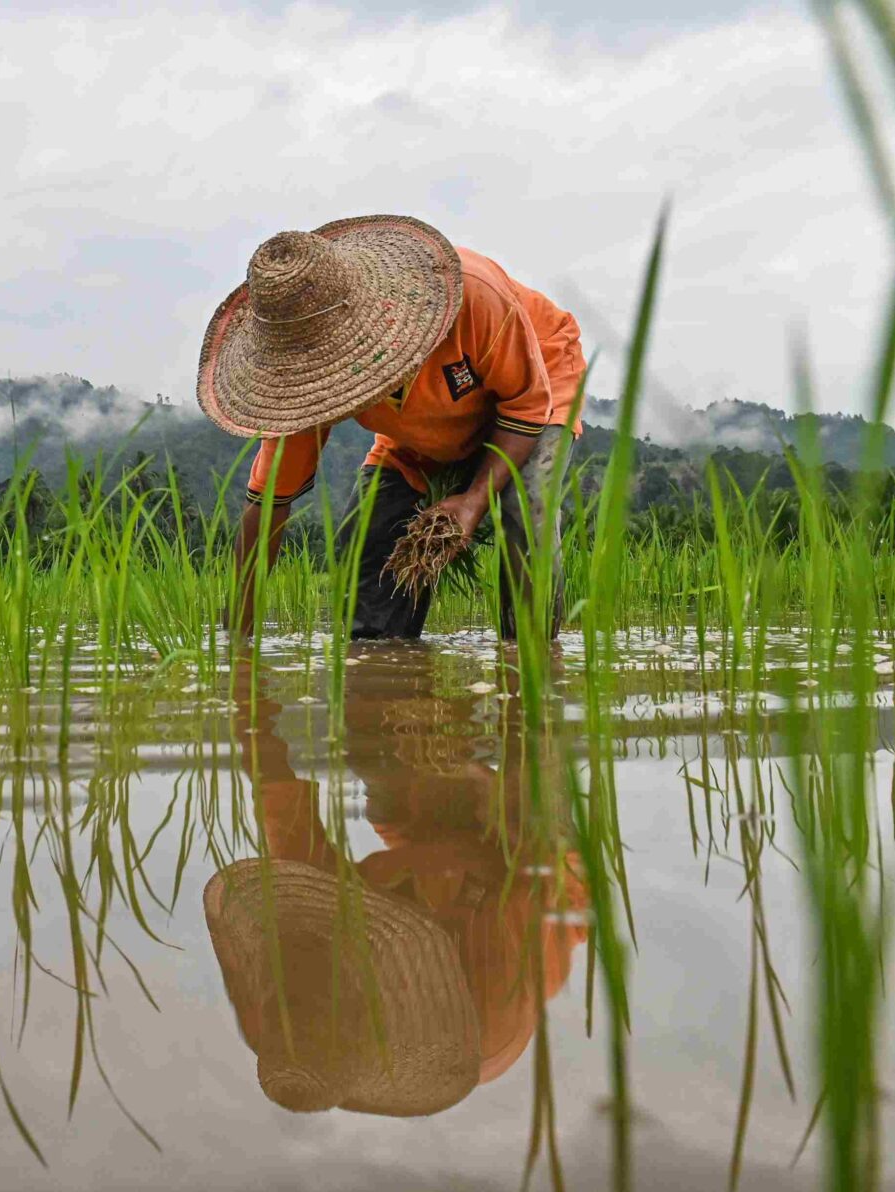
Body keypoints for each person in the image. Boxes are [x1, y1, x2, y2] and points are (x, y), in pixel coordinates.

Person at [204, 648, 587, 1116]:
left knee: (377, 701)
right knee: (528, 755)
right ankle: (533, 630)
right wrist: (470, 772)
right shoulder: (485, 1013)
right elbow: (535, 872)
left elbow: (274, 783)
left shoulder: (304, 963)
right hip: (532, 881)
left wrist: (246, 675)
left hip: (417, 836)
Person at [196, 216, 585, 640]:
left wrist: (474, 500)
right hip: (419, 426)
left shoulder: (474, 297)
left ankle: (530, 662)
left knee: (524, 506)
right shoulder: (307, 381)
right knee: (365, 536)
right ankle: (381, 668)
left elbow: (527, 405)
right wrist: (236, 642)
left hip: (535, 383)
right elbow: (269, 503)